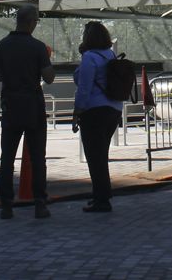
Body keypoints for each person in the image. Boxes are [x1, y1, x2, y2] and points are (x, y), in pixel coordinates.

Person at [0, 3, 55, 220]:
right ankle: (40, 204)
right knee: (38, 157)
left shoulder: (1, 46)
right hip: (33, 106)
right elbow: (48, 77)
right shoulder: (38, 47)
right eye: (36, 21)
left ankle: (6, 206)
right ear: (30, 22)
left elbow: (0, 76)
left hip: (10, 105)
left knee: (7, 158)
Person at [72, 21, 123, 213]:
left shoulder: (89, 57)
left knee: (95, 157)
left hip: (94, 111)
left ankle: (101, 199)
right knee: (101, 155)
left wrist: (77, 112)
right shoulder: (109, 55)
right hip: (113, 109)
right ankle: (101, 195)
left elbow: (84, 88)